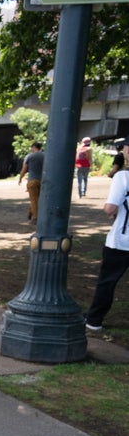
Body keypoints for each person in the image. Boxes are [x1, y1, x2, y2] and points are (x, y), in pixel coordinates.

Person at [85, 141, 129, 332]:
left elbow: (110, 209)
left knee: (108, 281)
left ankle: (94, 320)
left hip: (122, 240)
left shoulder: (123, 177)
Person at [17, 142, 45, 222]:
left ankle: (35, 217)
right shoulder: (45, 155)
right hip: (43, 180)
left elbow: (24, 169)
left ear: (34, 147)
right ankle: (30, 212)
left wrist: (20, 178)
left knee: (33, 200)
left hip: (32, 180)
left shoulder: (29, 156)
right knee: (38, 199)